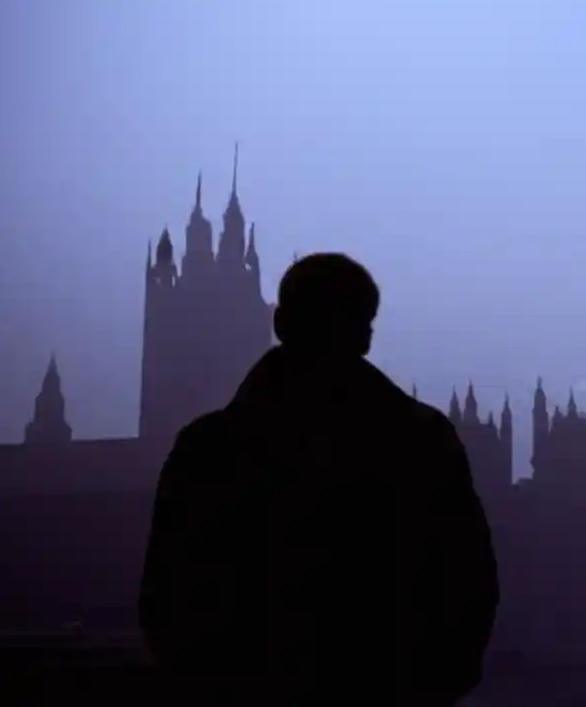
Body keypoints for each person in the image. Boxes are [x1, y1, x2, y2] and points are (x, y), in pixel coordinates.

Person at [138, 253, 499, 706]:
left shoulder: (207, 447)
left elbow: (166, 600)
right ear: (366, 334)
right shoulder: (421, 441)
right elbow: (469, 586)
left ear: (279, 322)